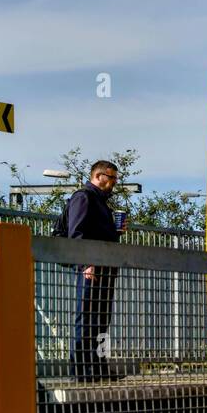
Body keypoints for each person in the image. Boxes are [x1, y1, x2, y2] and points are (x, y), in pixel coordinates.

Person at [64, 160, 126, 381]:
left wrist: (116, 232)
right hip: (91, 269)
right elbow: (76, 233)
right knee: (87, 318)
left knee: (101, 320)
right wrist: (84, 264)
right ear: (99, 176)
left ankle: (98, 368)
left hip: (105, 269)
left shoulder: (101, 203)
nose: (114, 183)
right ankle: (81, 371)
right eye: (112, 179)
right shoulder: (84, 197)